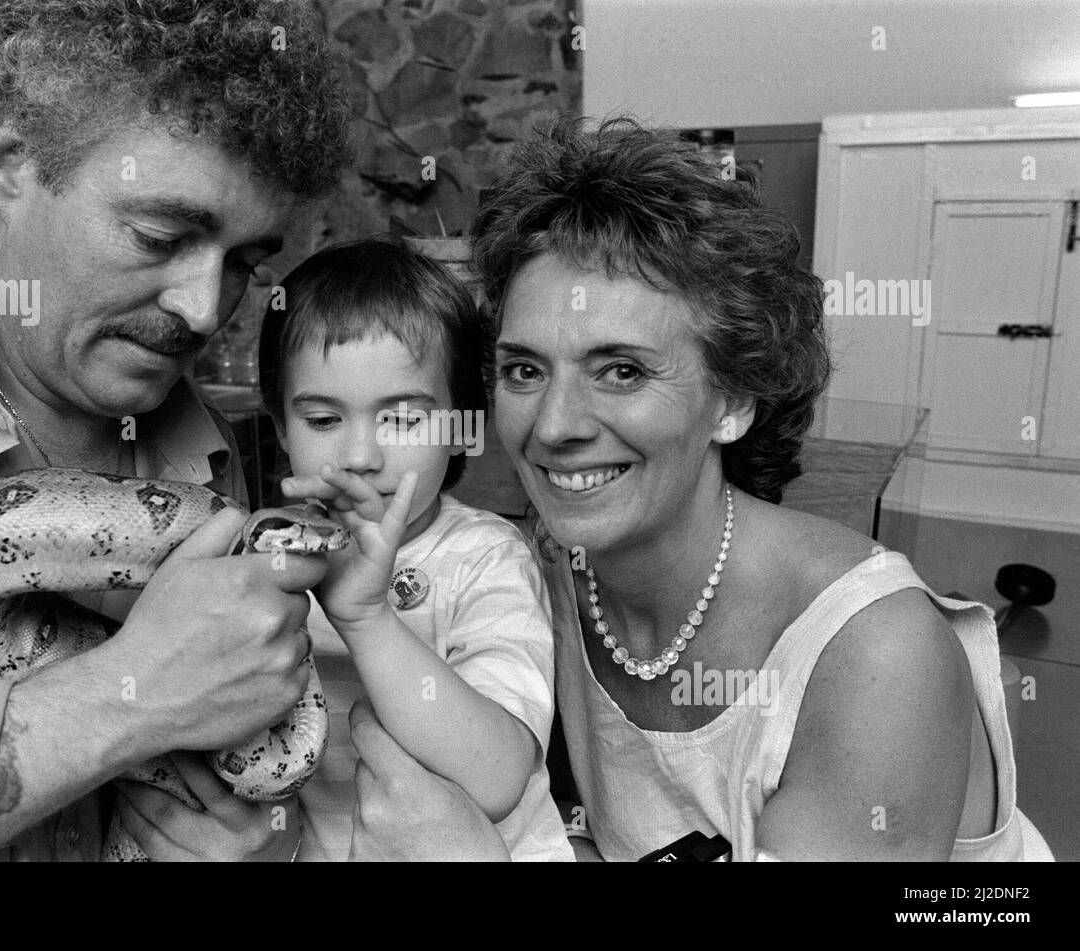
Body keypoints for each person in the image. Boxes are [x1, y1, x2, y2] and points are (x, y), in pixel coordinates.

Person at [346, 116, 1037, 861]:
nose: (553, 425)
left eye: (623, 370)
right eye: (525, 369)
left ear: (733, 399)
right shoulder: (540, 575)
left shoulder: (874, 653)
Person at [0, 0, 350, 861]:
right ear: (10, 161)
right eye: (160, 234)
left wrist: (257, 846)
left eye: (245, 262)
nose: (204, 311)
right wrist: (137, 696)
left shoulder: (207, 460)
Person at [258, 237, 573, 861]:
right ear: (279, 429)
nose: (358, 456)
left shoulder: (485, 558)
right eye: (322, 420)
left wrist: (367, 618)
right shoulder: (269, 559)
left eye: (402, 420)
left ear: (462, 430)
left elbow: (496, 777)